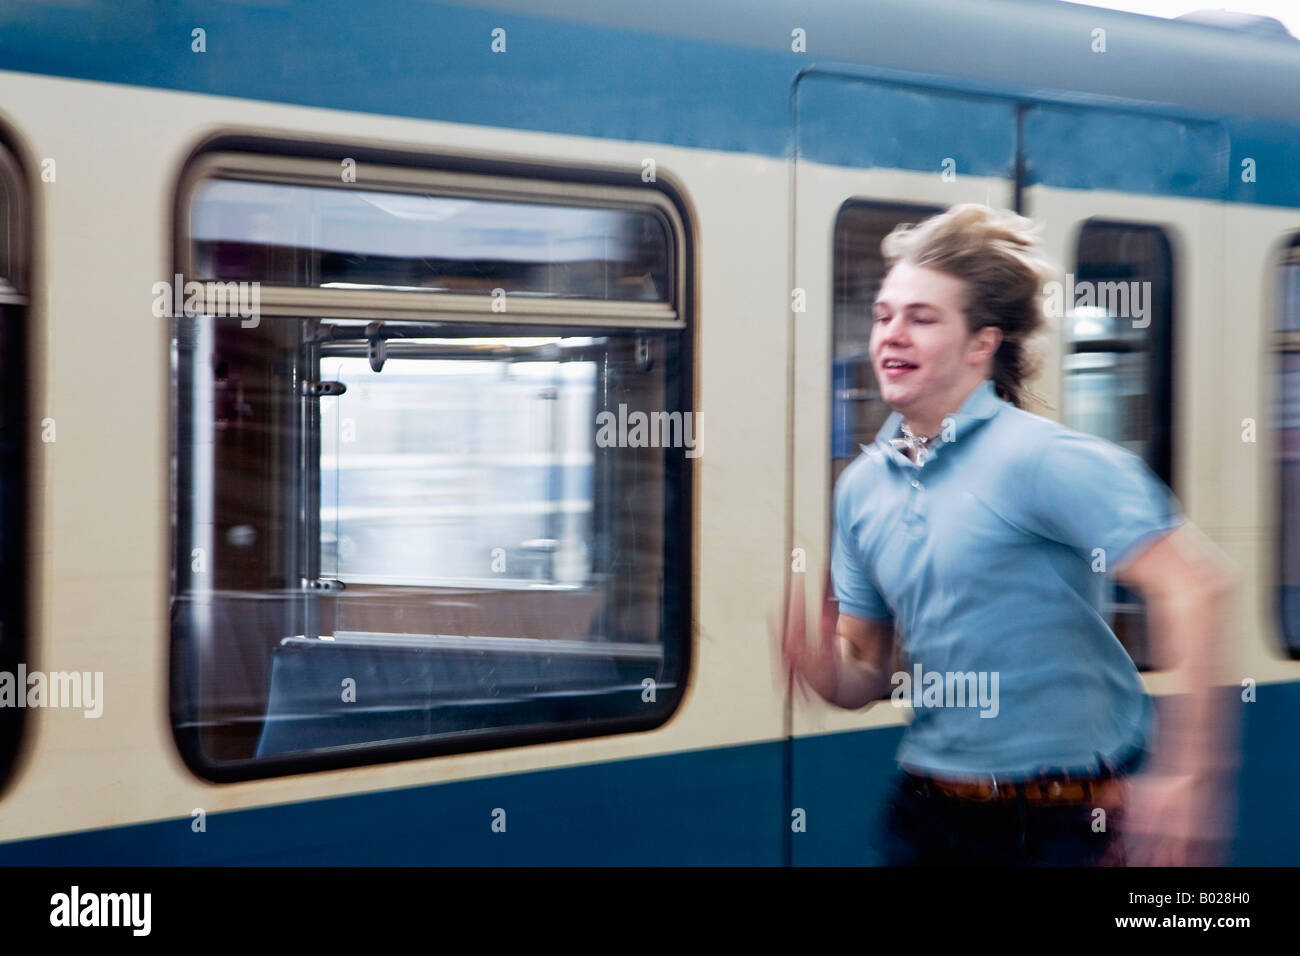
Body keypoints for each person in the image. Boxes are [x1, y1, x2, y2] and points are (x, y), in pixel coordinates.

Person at [779, 204, 1239, 866]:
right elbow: (866, 665)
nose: (891, 335)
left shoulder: (1044, 460)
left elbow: (1196, 585)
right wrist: (827, 671)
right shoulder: (862, 489)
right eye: (884, 316)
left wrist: (1189, 779)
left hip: (1062, 826)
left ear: (980, 344)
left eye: (921, 317)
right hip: (928, 816)